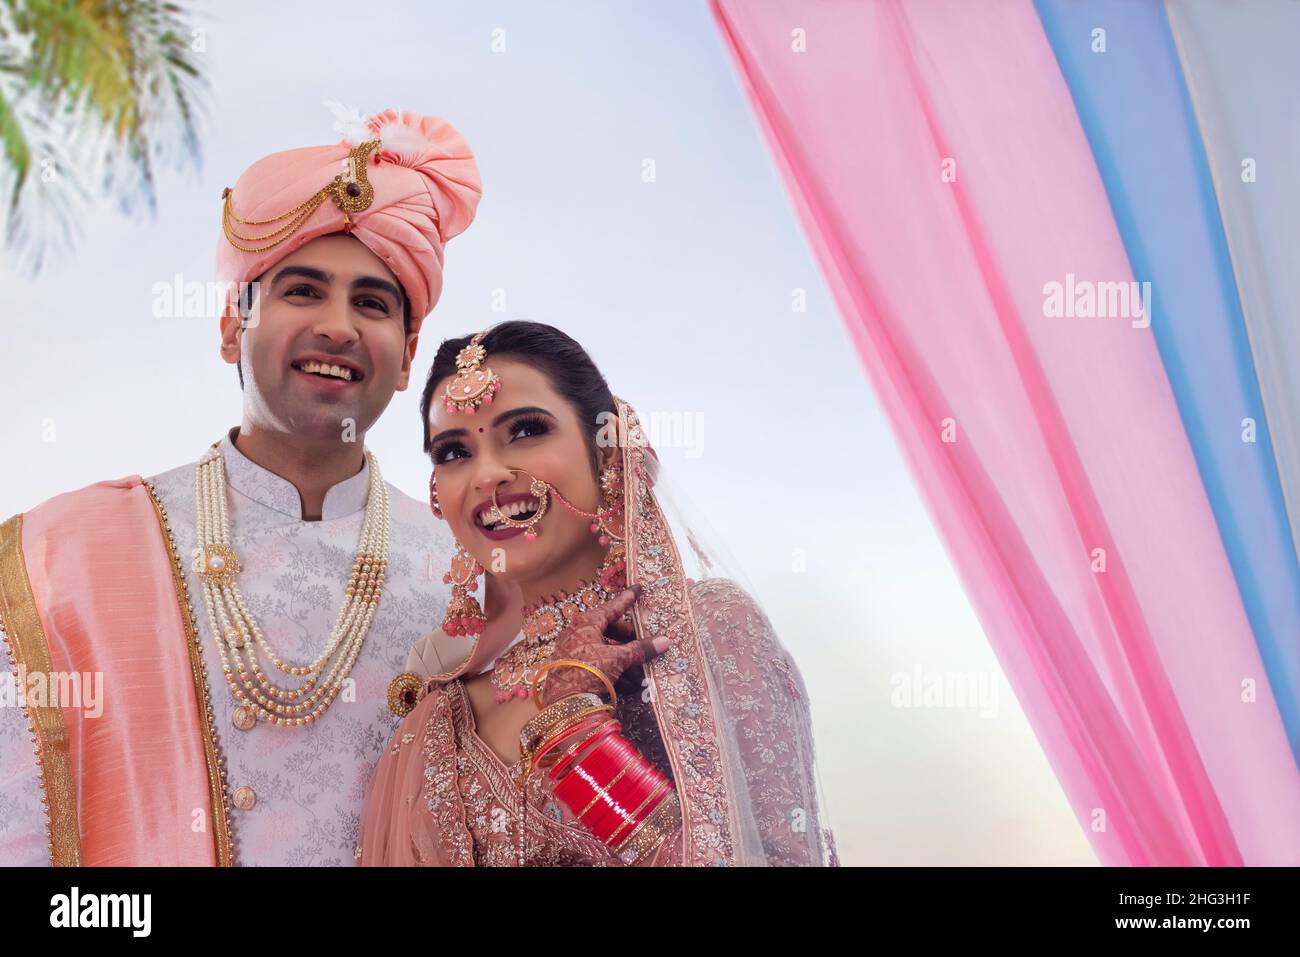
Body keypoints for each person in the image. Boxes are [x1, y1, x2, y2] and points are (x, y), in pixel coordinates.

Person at [0, 104, 503, 866]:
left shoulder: (465, 580)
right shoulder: (62, 557)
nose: (338, 325)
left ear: (405, 358)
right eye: (304, 291)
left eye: (371, 303)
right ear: (234, 324)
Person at [359, 321, 838, 865]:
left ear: (605, 452)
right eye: (452, 453)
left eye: (524, 430)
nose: (486, 474)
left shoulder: (706, 626)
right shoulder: (442, 717)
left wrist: (578, 735)